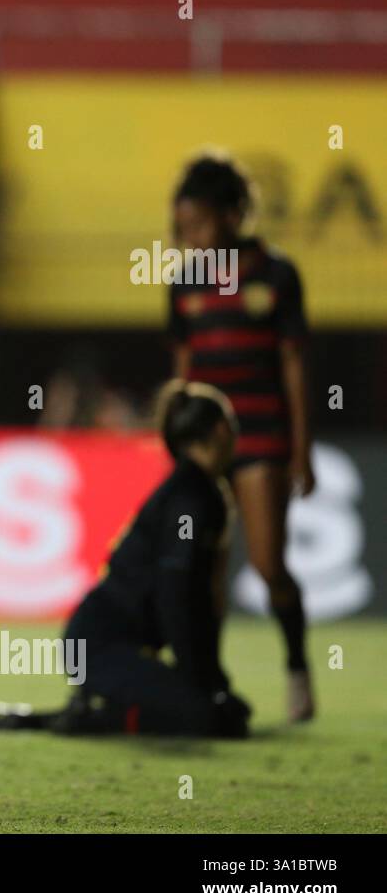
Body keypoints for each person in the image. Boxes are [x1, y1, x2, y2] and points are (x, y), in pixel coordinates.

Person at [0, 382, 252, 738]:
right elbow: (176, 594)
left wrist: (212, 679)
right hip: (99, 647)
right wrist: (201, 677)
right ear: (220, 430)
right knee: (205, 719)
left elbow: (191, 601)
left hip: (108, 642)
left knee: (225, 715)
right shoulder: (193, 499)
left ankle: (94, 708)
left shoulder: (199, 493)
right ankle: (86, 716)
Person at [168, 154, 315, 722]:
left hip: (261, 436)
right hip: (202, 448)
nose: (191, 239)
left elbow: (296, 369)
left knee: (267, 564)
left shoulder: (277, 275)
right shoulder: (183, 285)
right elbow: (182, 376)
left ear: (233, 215)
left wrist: (301, 449)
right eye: (183, 230)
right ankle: (209, 681)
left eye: (200, 226)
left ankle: (298, 666)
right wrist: (176, 445)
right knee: (201, 573)